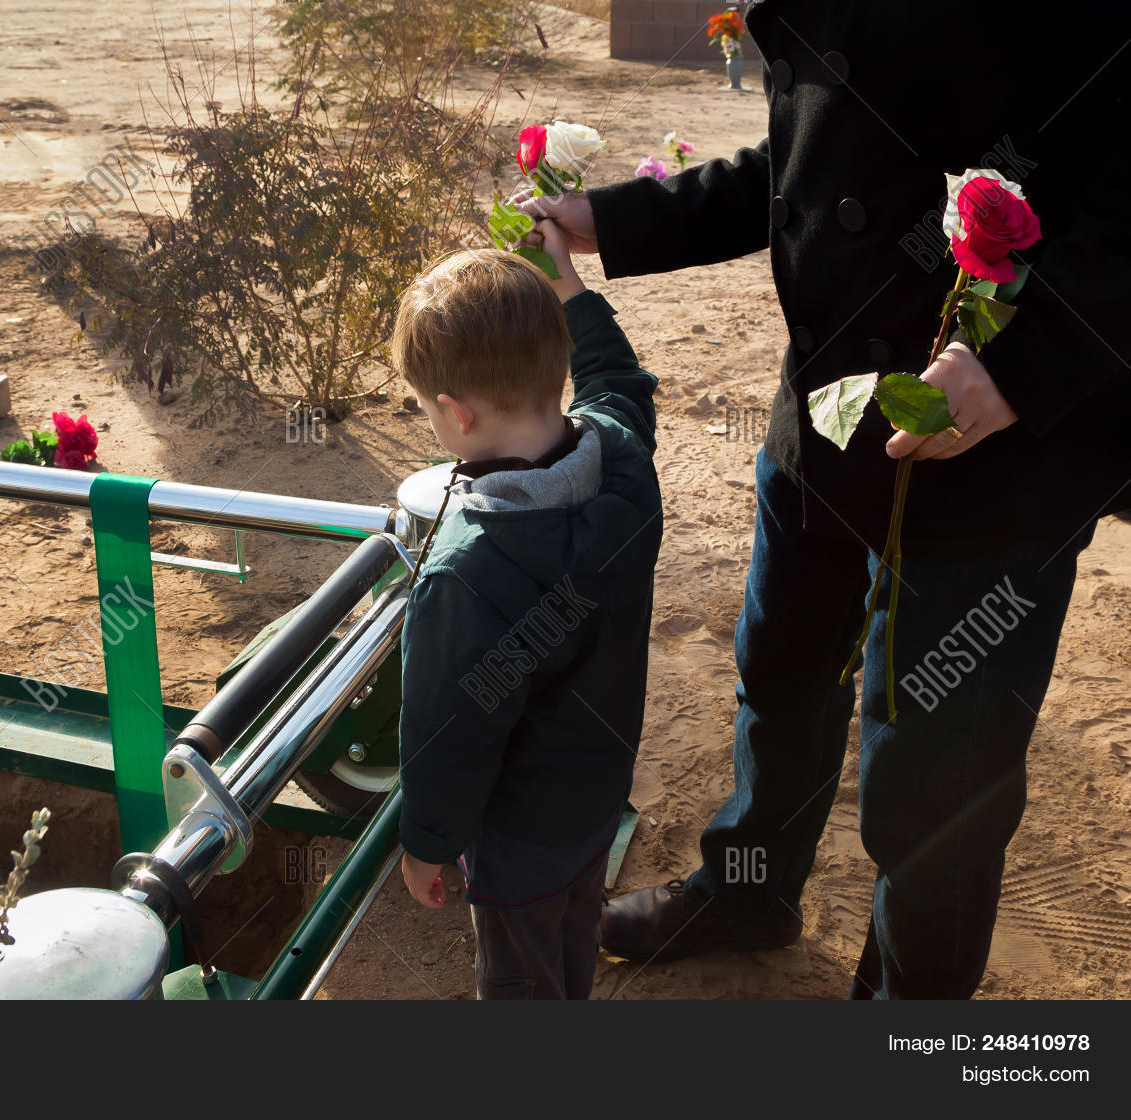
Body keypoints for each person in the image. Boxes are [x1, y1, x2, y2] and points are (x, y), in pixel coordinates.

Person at [518, 1, 1131, 998]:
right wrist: (619, 218)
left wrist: (1028, 363)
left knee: (940, 779)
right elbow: (802, 169)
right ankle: (751, 890)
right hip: (826, 413)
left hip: (996, 459)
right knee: (783, 671)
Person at [391, 225, 661, 999]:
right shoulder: (623, 459)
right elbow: (619, 381)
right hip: (597, 797)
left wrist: (425, 843)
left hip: (517, 840)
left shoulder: (467, 575)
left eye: (426, 412)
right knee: (574, 930)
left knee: (519, 981)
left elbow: (449, 736)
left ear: (456, 413)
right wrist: (569, 287)